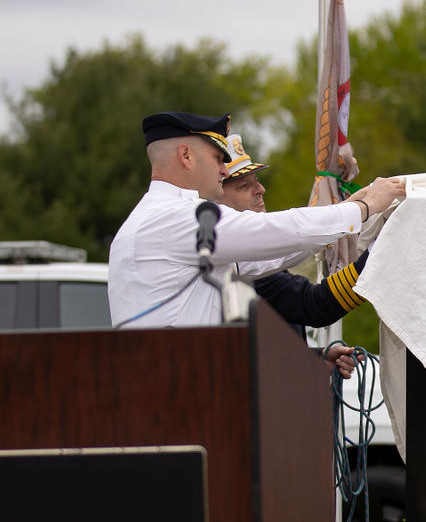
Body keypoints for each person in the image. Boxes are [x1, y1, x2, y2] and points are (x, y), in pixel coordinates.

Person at [107, 111, 402, 332]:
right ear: (186, 155)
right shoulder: (174, 217)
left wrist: (352, 209)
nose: (223, 171)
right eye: (217, 158)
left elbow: (277, 251)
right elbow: (275, 231)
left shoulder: (157, 216)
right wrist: (364, 208)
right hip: (178, 392)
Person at [215, 133, 371, 378]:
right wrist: (375, 257)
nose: (260, 189)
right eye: (244, 185)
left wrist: (317, 357)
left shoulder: (246, 257)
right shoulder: (240, 263)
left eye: (256, 180)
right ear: (216, 201)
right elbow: (314, 304)